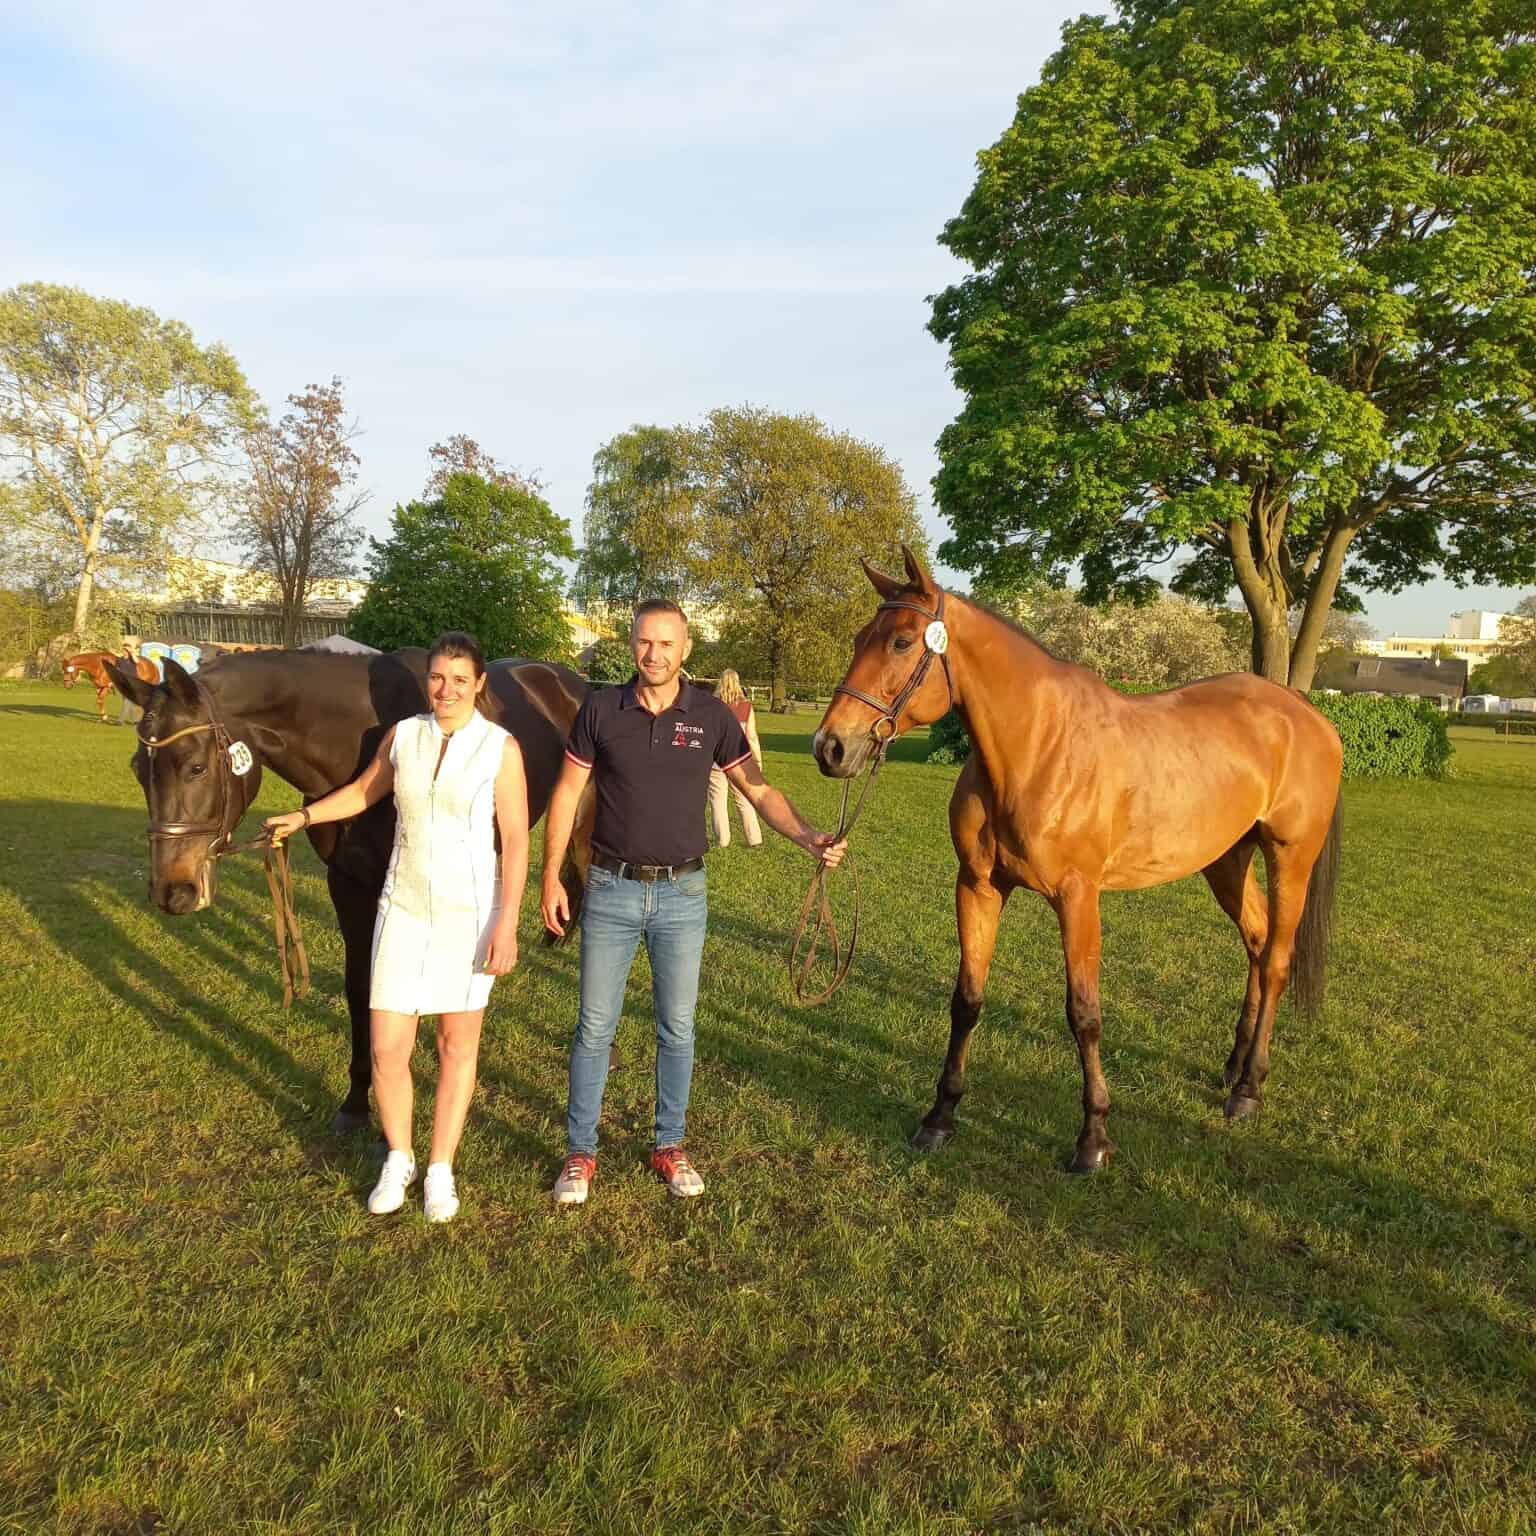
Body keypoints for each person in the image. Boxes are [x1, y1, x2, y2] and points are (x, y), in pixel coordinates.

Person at [540, 598, 846, 1206]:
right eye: (643, 642)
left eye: (665, 644)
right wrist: (551, 876)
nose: (653, 654)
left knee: (676, 1028)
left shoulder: (710, 715)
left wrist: (809, 836)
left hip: (683, 894)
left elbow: (757, 789)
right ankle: (580, 1153)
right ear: (631, 643)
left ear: (686, 650)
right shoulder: (601, 709)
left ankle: (669, 1144)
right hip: (611, 888)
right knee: (595, 1027)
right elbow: (567, 793)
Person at [264, 631, 527, 1223]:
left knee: (456, 1046)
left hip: (468, 914)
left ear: (479, 684)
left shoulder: (499, 748)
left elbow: (514, 840)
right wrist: (304, 815)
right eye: (437, 677)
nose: (446, 690)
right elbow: (362, 792)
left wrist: (506, 921)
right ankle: (399, 1157)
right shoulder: (405, 736)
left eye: (459, 679)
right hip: (402, 907)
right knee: (387, 1048)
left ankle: (440, 1169)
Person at [707, 668, 762, 848]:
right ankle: (754, 839)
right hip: (740, 760)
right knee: (744, 799)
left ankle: (722, 840)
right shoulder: (746, 707)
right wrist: (757, 760)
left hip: (716, 761)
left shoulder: (712, 705)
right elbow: (751, 736)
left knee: (717, 800)